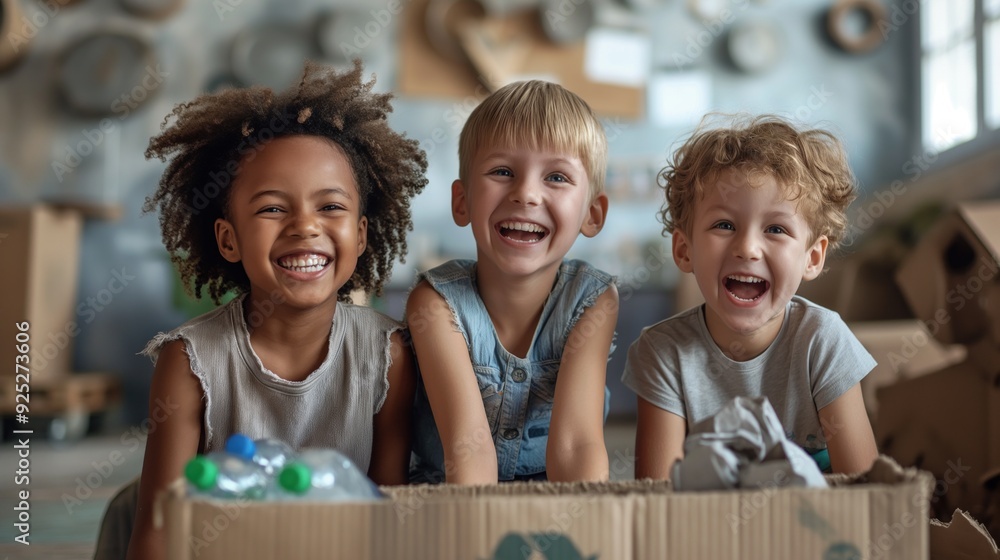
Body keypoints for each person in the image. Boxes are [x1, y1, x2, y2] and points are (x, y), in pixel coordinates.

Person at [93, 61, 427, 560]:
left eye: (330, 207)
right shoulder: (189, 362)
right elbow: (158, 534)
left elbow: (387, 520)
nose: (305, 226)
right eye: (273, 208)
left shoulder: (387, 356)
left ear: (360, 236)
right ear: (228, 239)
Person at [623, 114, 879, 480]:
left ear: (812, 258)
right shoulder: (664, 352)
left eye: (775, 229)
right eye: (724, 225)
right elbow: (659, 499)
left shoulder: (823, 340)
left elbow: (866, 490)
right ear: (684, 250)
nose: (747, 248)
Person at [406, 80, 619, 485]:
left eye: (556, 177)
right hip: (455, 497)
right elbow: (468, 451)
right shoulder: (435, 302)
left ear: (592, 214)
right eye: (503, 172)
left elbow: (577, 447)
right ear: (462, 202)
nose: (526, 194)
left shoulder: (592, 299)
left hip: (552, 499)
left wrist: (579, 520)